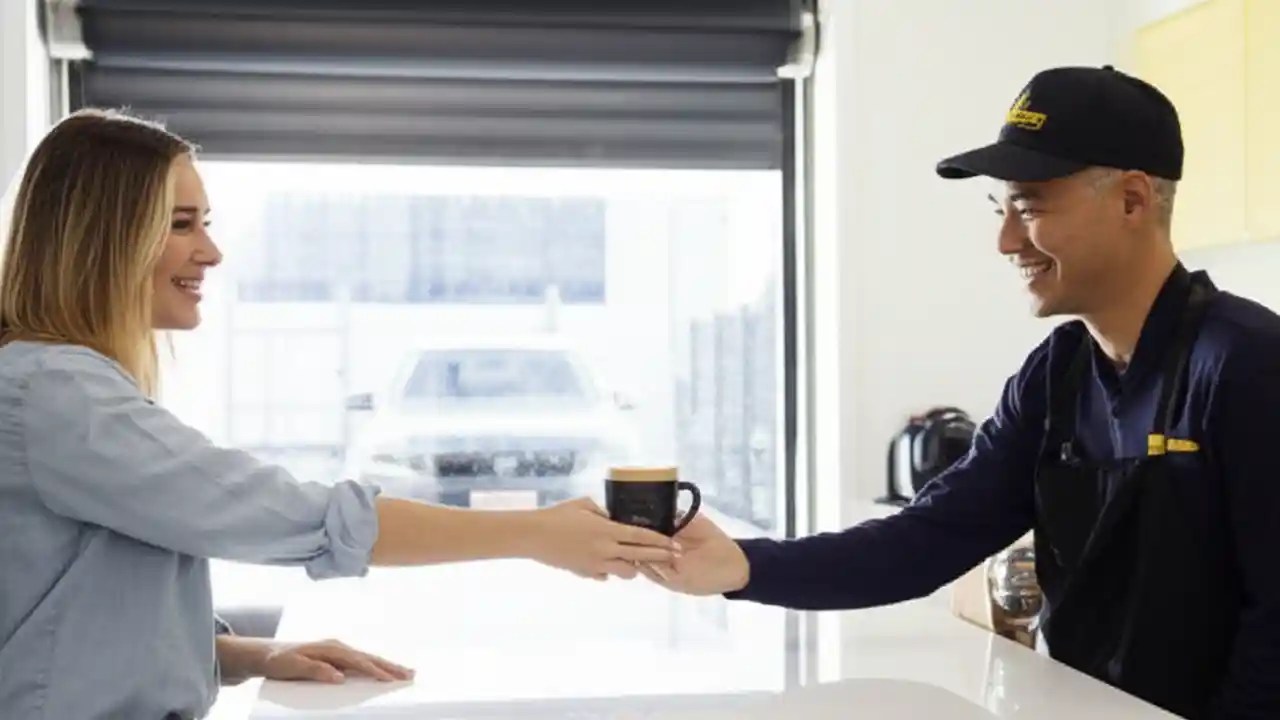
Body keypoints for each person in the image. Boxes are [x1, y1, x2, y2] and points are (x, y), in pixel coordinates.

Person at [643, 66, 1280, 720]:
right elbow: (924, 543)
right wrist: (743, 566)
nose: (1005, 240)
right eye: (1000, 208)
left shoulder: (1248, 363)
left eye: (1029, 207)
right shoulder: (1055, 374)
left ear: (1132, 201)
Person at [0, 109, 679, 720]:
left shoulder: (58, 387)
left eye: (205, 223)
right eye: (181, 225)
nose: (211, 251)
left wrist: (253, 655)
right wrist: (535, 532)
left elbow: (88, 615)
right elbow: (284, 514)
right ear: (104, 239)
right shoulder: (54, 394)